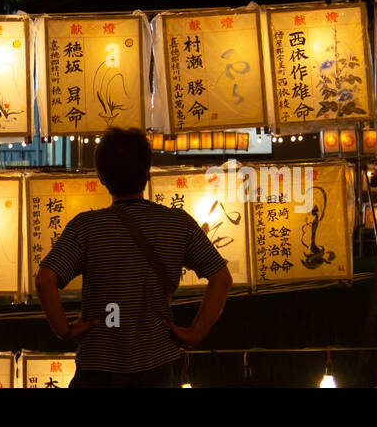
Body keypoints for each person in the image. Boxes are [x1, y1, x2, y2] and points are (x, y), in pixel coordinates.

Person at [35, 127, 232, 388]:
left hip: (98, 367)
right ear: (147, 174)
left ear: (102, 178)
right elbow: (221, 278)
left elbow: (45, 279)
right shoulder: (177, 224)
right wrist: (194, 333)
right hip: (157, 365)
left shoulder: (86, 227)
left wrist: (65, 330)